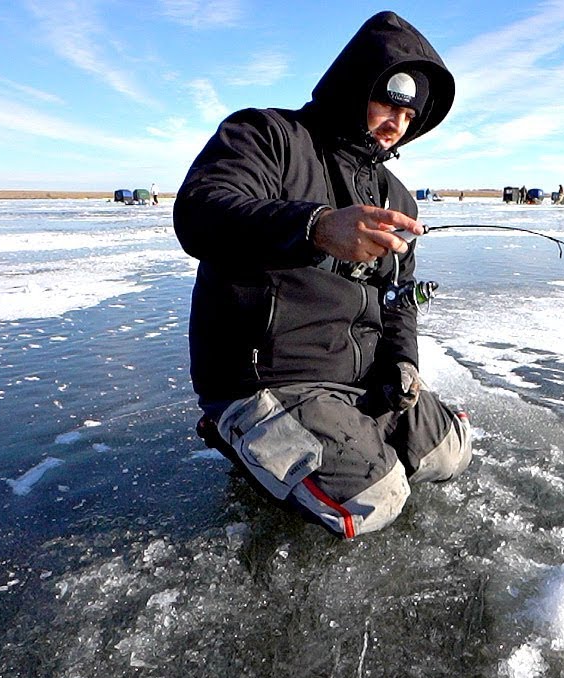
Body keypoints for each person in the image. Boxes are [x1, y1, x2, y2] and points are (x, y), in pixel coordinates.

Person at [173, 11, 471, 539]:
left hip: (361, 377)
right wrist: (314, 227)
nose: (398, 122)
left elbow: (399, 297)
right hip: (271, 376)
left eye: (412, 116)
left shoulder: (394, 193)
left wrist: (403, 362)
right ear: (357, 83)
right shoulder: (268, 135)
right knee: (376, 500)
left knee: (451, 455)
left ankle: (362, 426)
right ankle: (236, 431)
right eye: (391, 101)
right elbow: (200, 211)